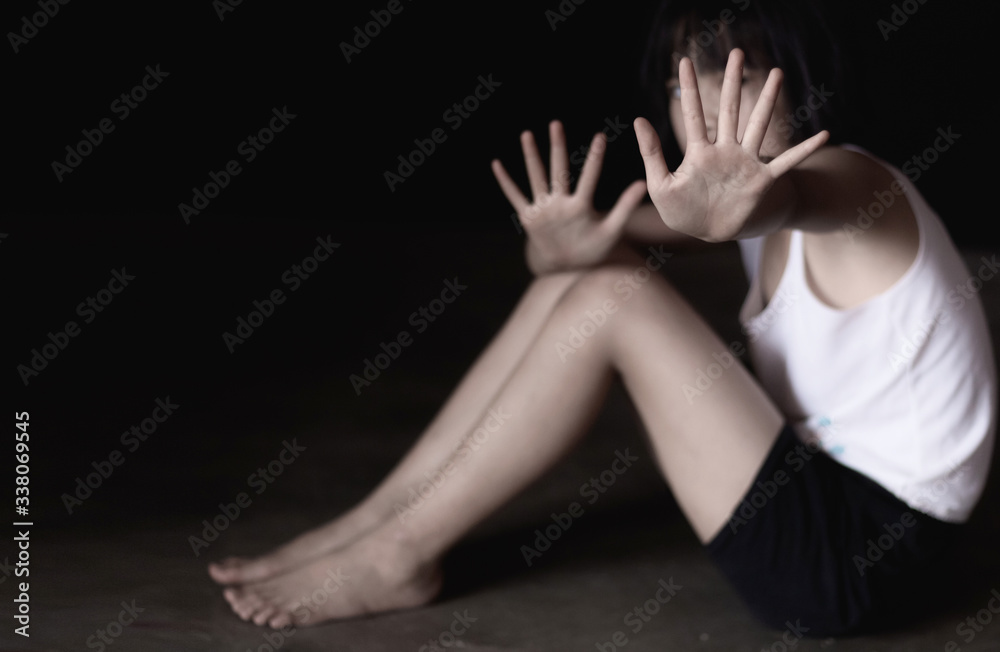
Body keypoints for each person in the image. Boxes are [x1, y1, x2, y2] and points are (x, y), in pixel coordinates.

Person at [207, 0, 996, 636]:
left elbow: (794, 196)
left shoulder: (859, 187)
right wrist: (562, 250)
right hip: (826, 505)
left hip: (871, 560)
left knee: (614, 298)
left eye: (743, 75)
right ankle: (374, 524)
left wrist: (737, 210)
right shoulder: (762, 203)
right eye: (688, 85)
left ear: (807, 78)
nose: (710, 111)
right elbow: (606, 245)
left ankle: (399, 552)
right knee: (593, 280)